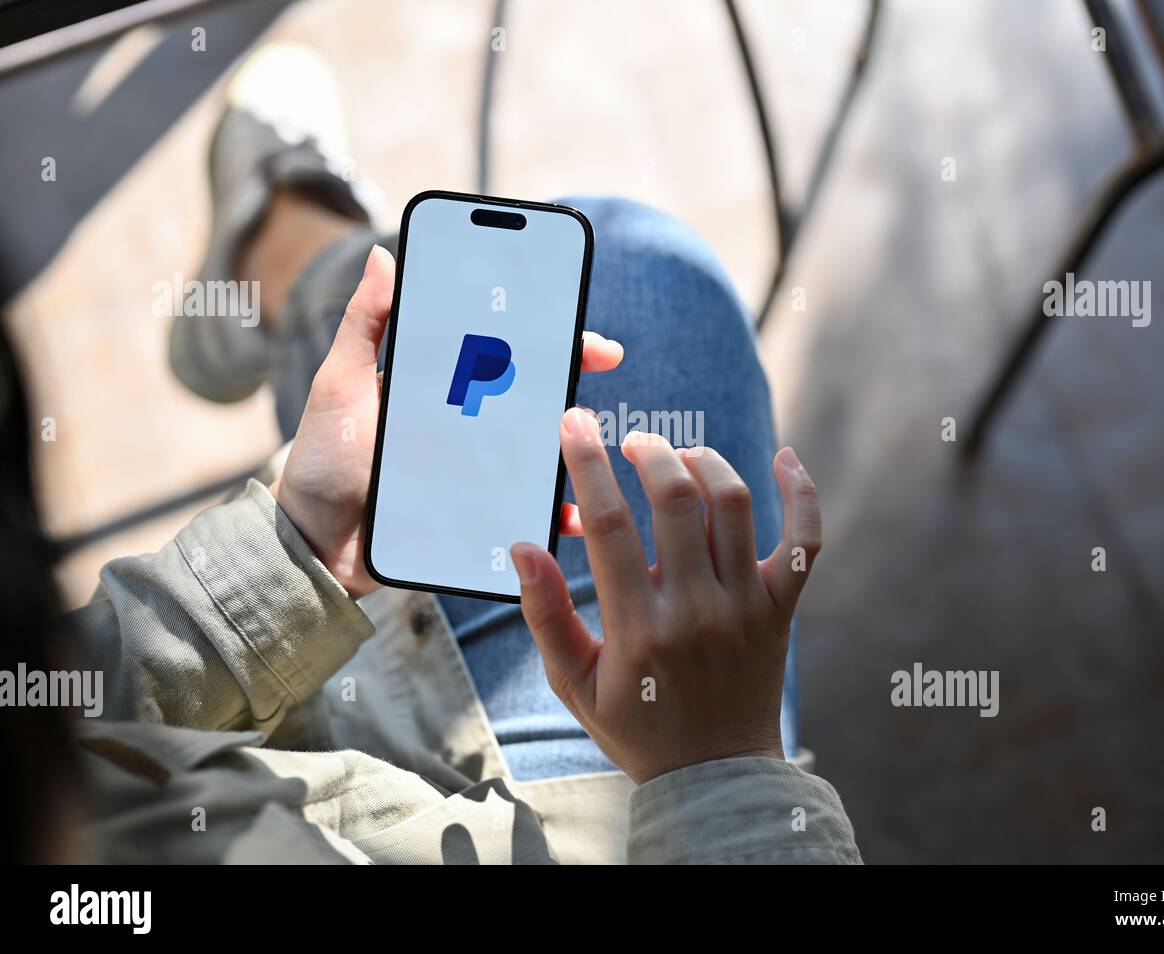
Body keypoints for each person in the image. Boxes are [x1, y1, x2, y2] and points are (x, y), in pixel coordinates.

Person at [13, 44, 860, 863]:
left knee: (523, 302)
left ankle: (286, 250)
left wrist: (292, 549)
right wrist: (720, 770)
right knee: (640, 265)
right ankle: (297, 242)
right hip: (577, 818)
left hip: (305, 756)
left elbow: (86, 705)